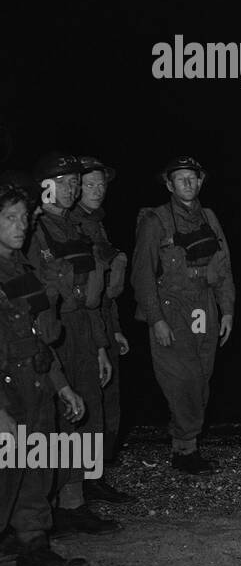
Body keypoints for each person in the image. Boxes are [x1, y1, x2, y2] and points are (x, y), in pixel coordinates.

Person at [0, 182, 90, 566]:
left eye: (24, 218)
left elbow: (37, 336)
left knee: (36, 465)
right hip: (6, 389)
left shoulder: (23, 269)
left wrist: (63, 385)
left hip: (34, 381)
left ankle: (34, 545)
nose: (20, 226)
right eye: (9, 218)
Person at [27, 152, 118, 536]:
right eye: (64, 182)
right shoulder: (33, 232)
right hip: (50, 330)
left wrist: (100, 346)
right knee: (56, 418)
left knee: (86, 415)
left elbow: (91, 295)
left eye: (75, 182)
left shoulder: (77, 229)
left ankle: (74, 502)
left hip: (82, 327)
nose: (72, 189)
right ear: (46, 186)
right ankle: (46, 507)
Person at [130, 156, 234, 474]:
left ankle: (185, 442)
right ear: (169, 184)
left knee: (201, 378)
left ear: (200, 182)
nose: (187, 183)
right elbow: (142, 274)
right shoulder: (155, 220)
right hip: (172, 310)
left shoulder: (210, 217)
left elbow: (224, 265)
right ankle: (185, 450)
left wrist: (227, 309)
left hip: (205, 307)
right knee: (182, 380)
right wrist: (156, 318)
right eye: (180, 179)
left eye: (193, 178)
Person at [70, 155, 135, 504]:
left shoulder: (97, 223)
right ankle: (79, 484)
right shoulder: (72, 225)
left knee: (109, 403)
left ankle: (93, 477)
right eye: (89, 184)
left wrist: (117, 330)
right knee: (90, 404)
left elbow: (107, 290)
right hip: (83, 324)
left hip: (104, 321)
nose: (96, 191)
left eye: (101, 184)